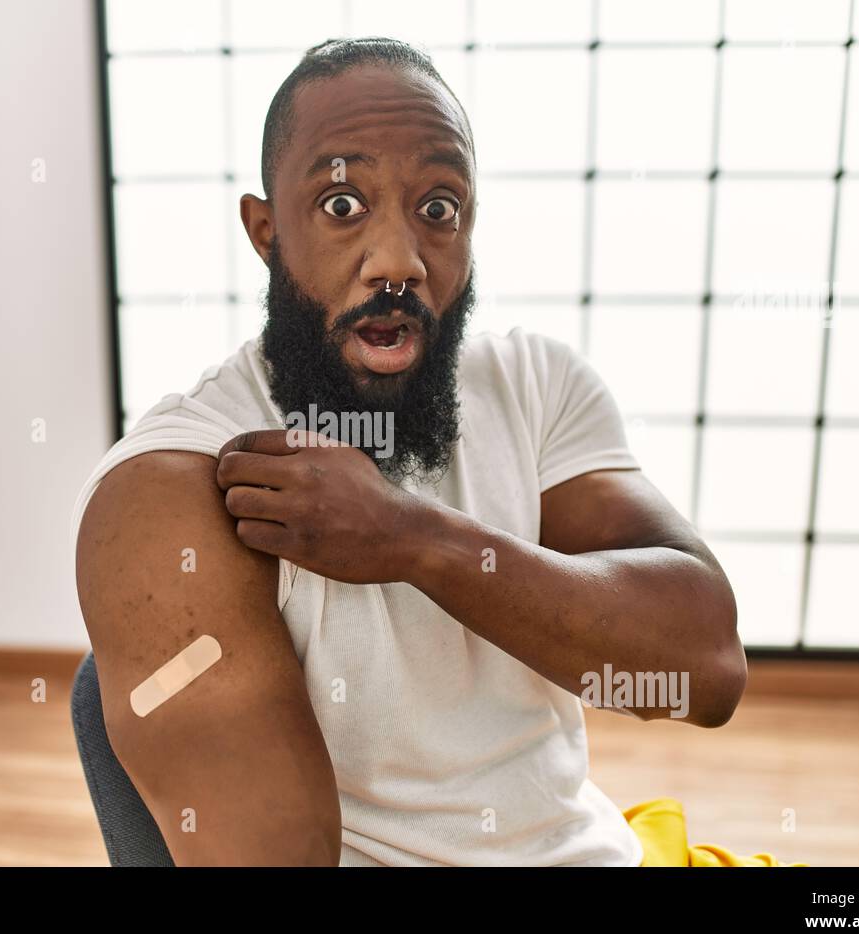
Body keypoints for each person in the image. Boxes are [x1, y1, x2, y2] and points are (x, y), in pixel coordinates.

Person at [74, 36, 797, 867]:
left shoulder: (534, 382)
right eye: (343, 206)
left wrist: (417, 542)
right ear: (266, 233)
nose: (398, 261)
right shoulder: (171, 485)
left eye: (438, 208)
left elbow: (707, 673)